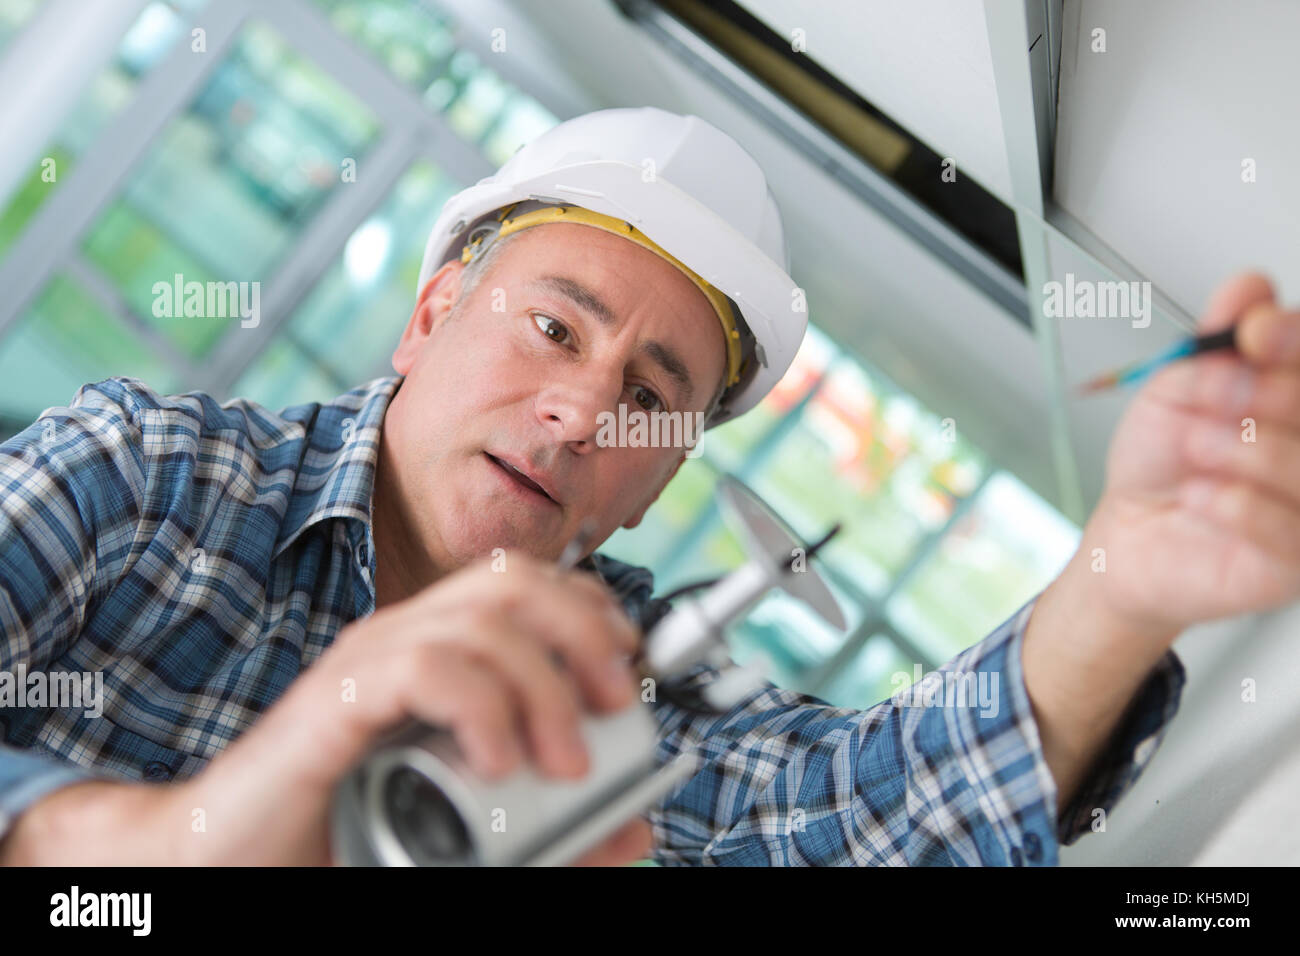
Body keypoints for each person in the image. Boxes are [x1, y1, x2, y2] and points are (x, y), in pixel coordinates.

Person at [2, 107, 1298, 866]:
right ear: (433, 313)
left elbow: (875, 813)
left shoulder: (638, 696)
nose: (579, 411)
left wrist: (1126, 580)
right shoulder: (152, 478)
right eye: (553, 330)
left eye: (647, 394)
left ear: (658, 477)